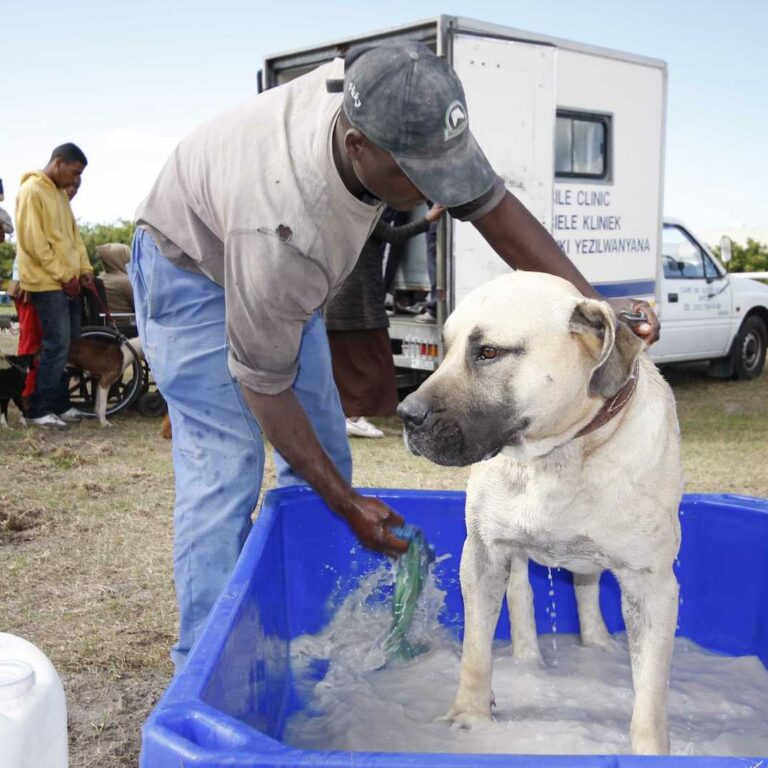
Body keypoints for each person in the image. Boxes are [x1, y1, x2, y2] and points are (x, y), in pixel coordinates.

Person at [131, 41, 657, 670]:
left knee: (326, 450)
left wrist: (598, 312)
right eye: (422, 173)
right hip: (189, 266)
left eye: (446, 166)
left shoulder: (406, 107)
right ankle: (207, 670)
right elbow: (264, 386)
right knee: (226, 467)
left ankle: (308, 631)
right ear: (358, 148)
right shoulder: (282, 228)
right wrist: (349, 505)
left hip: (276, 274)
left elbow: (493, 209)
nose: (441, 186)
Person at [326, 204, 444, 438]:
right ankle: (353, 417)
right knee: (370, 362)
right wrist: (428, 219)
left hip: (338, 302)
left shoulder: (333, 216)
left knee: (344, 364)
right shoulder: (360, 214)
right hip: (358, 303)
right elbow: (394, 234)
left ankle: (346, 415)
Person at [15, 143, 93, 428]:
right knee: (56, 344)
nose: (74, 181)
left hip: (69, 282)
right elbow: (35, 244)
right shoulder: (31, 191)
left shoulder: (60, 195)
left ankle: (60, 405)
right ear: (58, 163)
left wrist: (84, 269)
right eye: (73, 173)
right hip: (47, 283)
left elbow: (74, 237)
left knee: (70, 346)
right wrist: (64, 275)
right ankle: (38, 409)